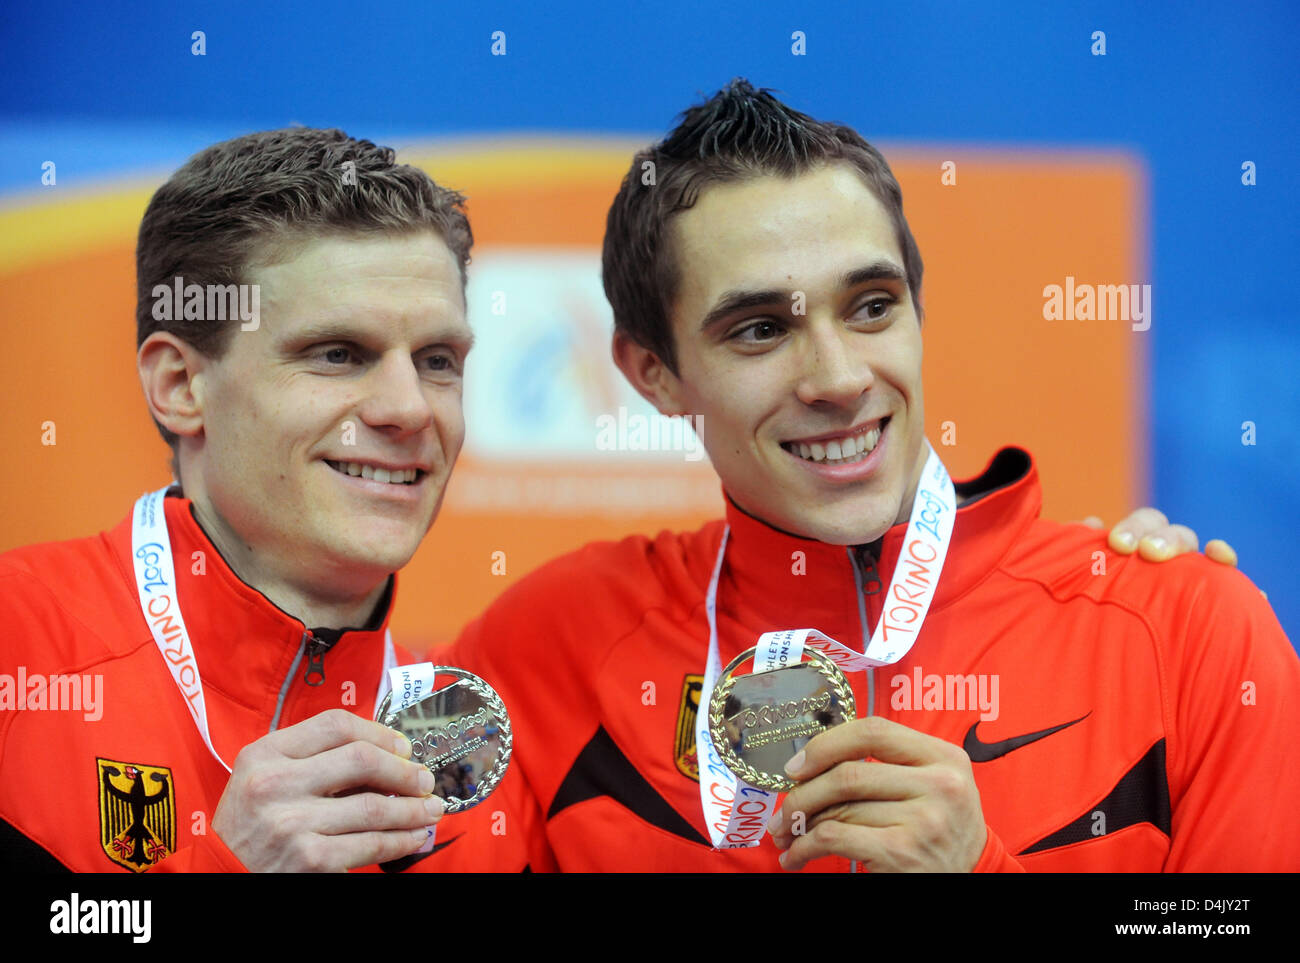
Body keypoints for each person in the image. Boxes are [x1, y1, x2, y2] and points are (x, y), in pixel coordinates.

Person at [427, 79, 1299, 871]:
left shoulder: (1187, 632)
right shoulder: (545, 652)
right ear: (654, 372)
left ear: (919, 312)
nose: (839, 378)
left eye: (871, 307)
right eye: (761, 329)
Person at [0, 127, 549, 873]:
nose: (410, 408)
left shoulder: (474, 753)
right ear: (180, 386)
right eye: (337, 353)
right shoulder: (21, 651)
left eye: (437, 360)